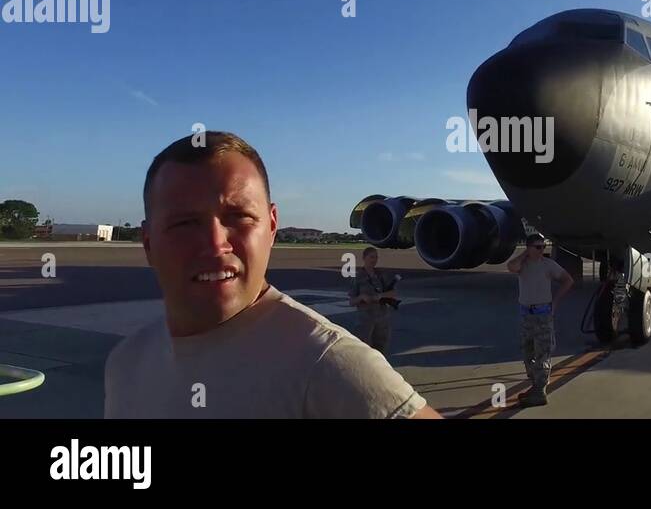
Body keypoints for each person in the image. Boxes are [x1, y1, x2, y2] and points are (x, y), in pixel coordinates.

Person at [104, 130, 440, 419]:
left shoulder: (332, 368)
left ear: (272, 226)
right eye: (184, 223)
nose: (214, 244)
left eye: (239, 216)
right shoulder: (125, 364)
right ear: (148, 243)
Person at [506, 234, 574, 406]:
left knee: (543, 353)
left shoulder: (548, 265)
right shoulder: (523, 265)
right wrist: (525, 255)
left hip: (543, 315)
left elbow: (568, 280)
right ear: (528, 248)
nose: (542, 250)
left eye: (543, 247)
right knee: (527, 352)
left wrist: (555, 303)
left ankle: (540, 391)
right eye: (537, 247)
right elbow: (511, 267)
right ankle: (535, 385)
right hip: (526, 316)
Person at [348, 246, 398, 355]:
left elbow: (393, 293)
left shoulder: (381, 275)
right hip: (365, 320)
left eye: (376, 257)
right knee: (363, 351)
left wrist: (380, 296)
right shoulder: (357, 277)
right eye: (371, 257)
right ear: (364, 258)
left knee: (381, 349)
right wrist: (361, 297)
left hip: (382, 319)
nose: (374, 260)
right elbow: (351, 301)